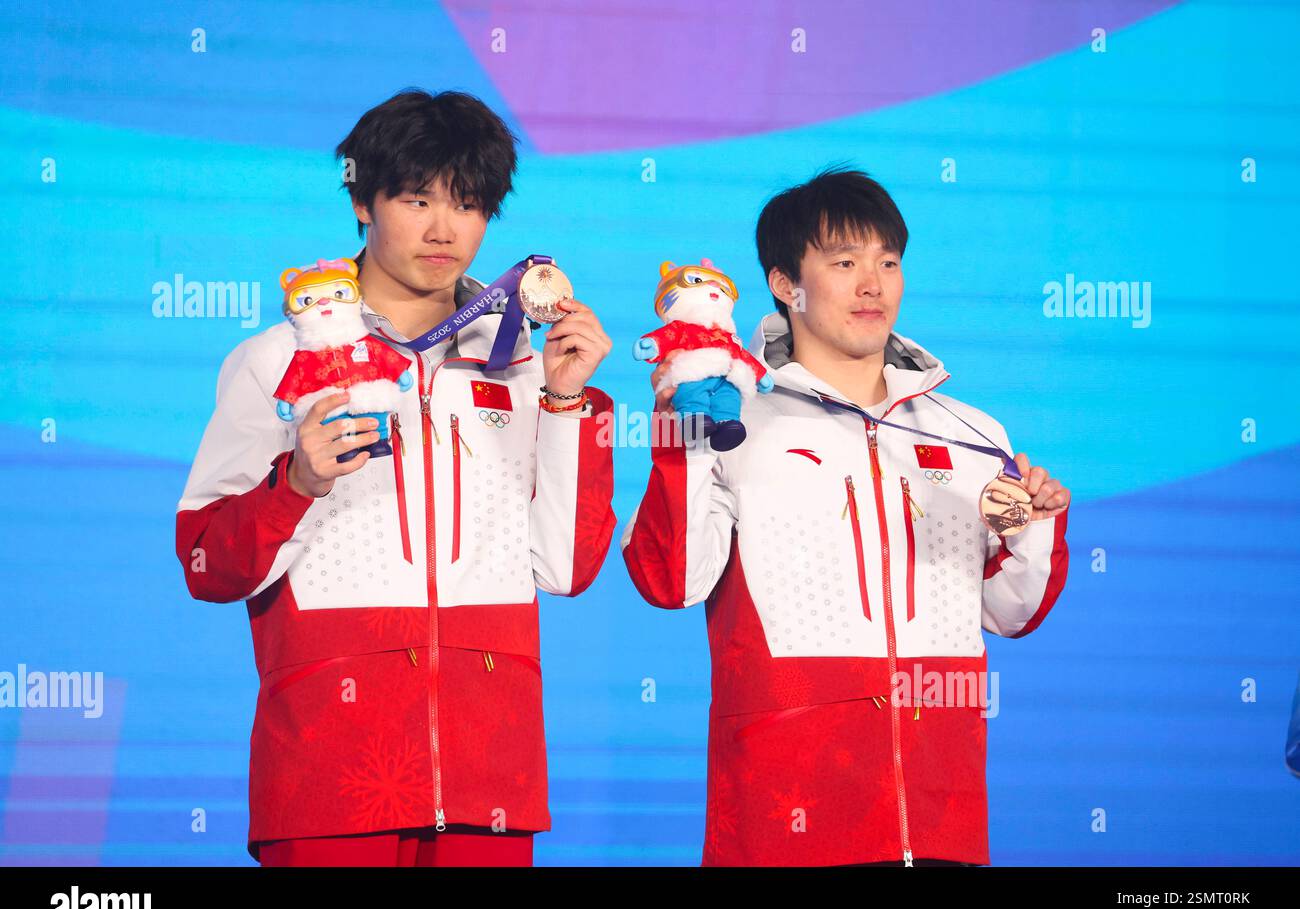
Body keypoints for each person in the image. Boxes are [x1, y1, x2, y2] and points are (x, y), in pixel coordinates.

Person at [175, 89, 616, 866]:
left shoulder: (524, 361)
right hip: (330, 782)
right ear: (360, 201)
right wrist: (295, 483)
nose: (445, 230)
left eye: (469, 205)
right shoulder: (277, 361)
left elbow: (567, 567)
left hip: (491, 779)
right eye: (416, 200)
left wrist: (567, 401)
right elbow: (207, 563)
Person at [620, 168, 1070, 866]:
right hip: (783, 823)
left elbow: (1013, 612)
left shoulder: (973, 434)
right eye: (844, 263)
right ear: (782, 282)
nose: (873, 284)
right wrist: (680, 444)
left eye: (888, 262)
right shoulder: (736, 423)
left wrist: (1031, 524)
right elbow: (670, 582)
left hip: (940, 820)